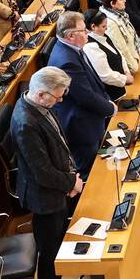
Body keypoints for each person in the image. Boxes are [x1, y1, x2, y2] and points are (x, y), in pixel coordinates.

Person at [9, 67, 87, 279]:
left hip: (57, 187)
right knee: (50, 253)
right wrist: (70, 184)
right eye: (57, 96)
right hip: (44, 198)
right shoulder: (26, 123)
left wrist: (71, 176)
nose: (60, 101)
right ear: (42, 94)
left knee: (55, 246)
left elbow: (59, 145)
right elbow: (42, 172)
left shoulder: (39, 106)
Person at [47, 11, 118, 178]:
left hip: (90, 120)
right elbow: (85, 97)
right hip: (81, 127)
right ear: (71, 35)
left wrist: (106, 100)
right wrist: (109, 109)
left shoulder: (72, 48)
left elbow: (92, 81)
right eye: (84, 30)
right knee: (90, 171)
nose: (87, 33)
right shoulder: (66, 60)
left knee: (99, 164)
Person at [83, 8, 133, 100]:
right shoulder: (91, 47)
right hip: (110, 95)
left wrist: (126, 71)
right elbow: (105, 75)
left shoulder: (103, 36)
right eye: (103, 26)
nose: (106, 28)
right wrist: (125, 79)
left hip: (121, 87)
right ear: (93, 27)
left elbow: (119, 53)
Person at [100, 0, 140, 74]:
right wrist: (134, 67)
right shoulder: (110, 23)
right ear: (112, 4)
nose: (125, 1)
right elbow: (122, 48)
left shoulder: (120, 14)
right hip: (129, 69)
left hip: (135, 57)